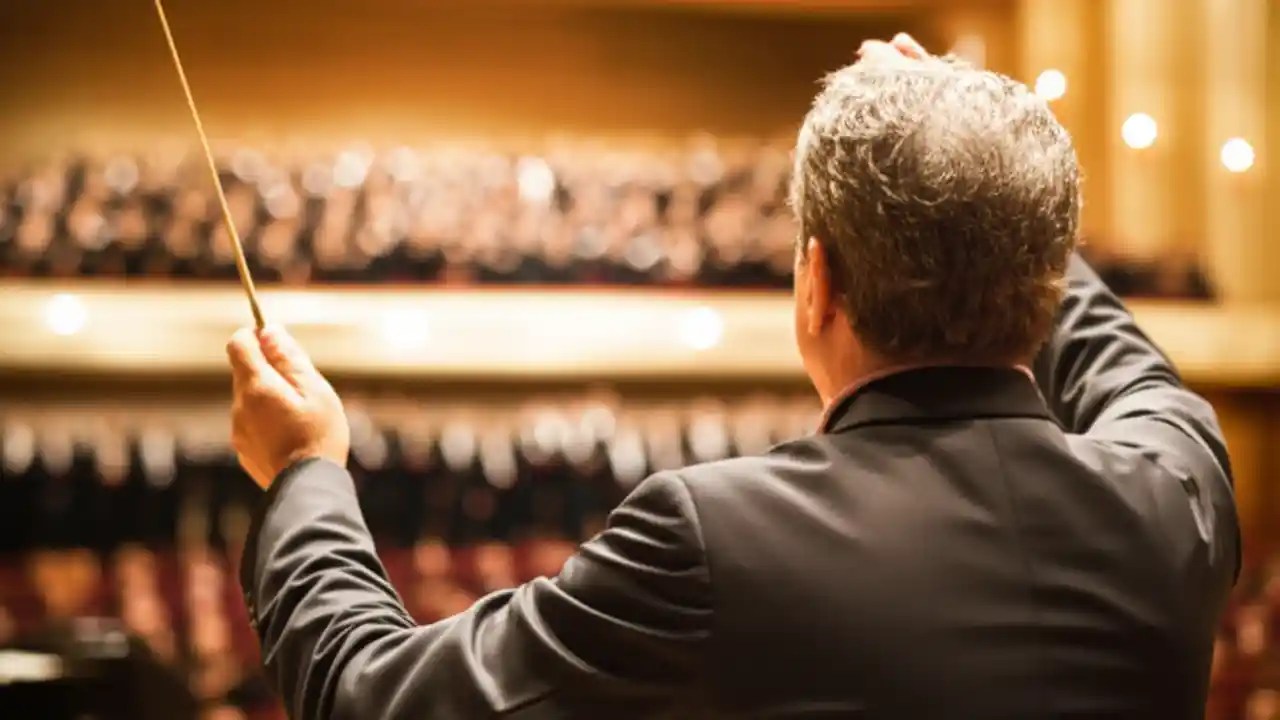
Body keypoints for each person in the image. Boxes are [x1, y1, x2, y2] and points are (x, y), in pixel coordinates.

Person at [225, 35, 1238, 719]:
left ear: (815, 284)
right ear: (1041, 269)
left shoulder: (713, 543)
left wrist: (306, 471)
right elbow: (1111, 349)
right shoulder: (1173, 497)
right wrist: (980, 183)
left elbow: (371, 695)